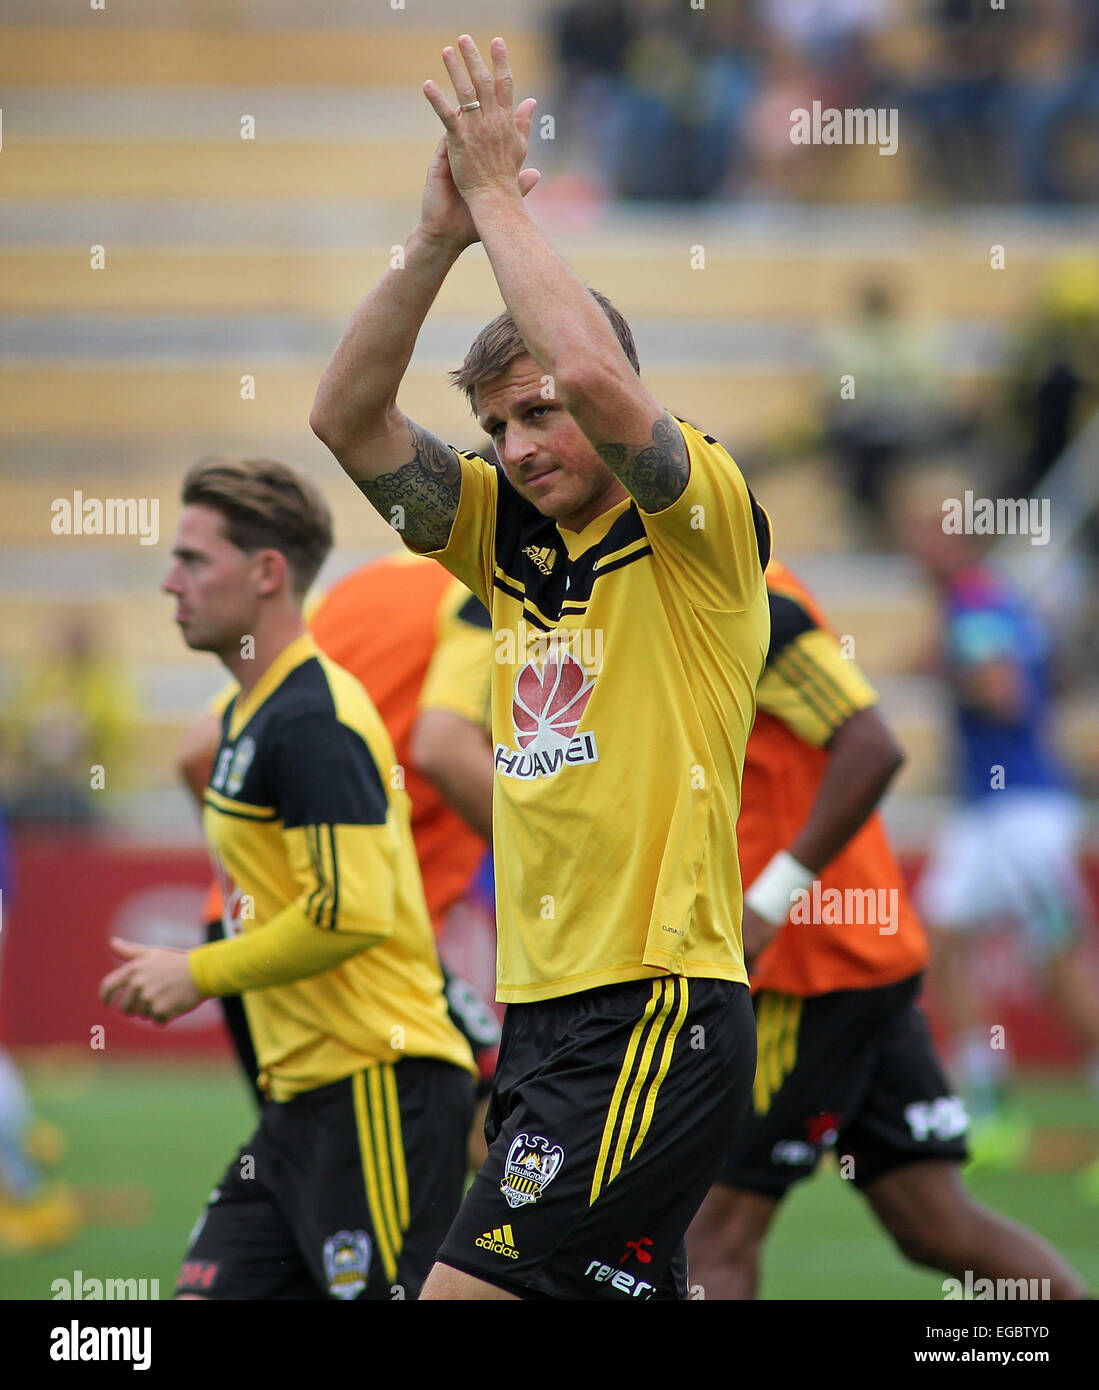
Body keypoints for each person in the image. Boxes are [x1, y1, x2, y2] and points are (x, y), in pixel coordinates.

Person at [310, 34, 771, 1301]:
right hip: (548, 1009)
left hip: (652, 1006)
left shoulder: (698, 525)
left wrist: (504, 195)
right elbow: (346, 421)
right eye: (496, 425)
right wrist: (436, 240)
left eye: (537, 415)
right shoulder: (507, 545)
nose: (516, 445)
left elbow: (591, 373)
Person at [100, 457, 476, 1300]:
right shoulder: (245, 712)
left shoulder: (313, 719)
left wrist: (195, 972)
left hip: (380, 1087)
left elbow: (352, 916)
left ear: (267, 573)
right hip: (302, 1100)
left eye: (194, 560)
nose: (170, 583)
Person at [686, 556, 1089, 1299]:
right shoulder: (662, 587)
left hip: (805, 965)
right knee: (932, 1222)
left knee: (711, 1230)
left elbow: (873, 743)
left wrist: (767, 901)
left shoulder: (739, 593)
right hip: (862, 954)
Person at [178, 551, 502, 1148]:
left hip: (250, 936)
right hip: (354, 946)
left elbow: (198, 750)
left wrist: (268, 879)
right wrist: (569, 862)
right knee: (500, 1135)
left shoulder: (348, 593)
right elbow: (443, 749)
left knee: (311, 1183)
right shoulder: (486, 589)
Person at [908, 512, 1099, 1151]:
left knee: (1059, 960)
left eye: (925, 535)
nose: (914, 548)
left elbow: (1004, 693)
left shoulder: (975, 605)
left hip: (1020, 809)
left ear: (957, 540)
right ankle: (989, 1103)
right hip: (985, 811)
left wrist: (949, 671)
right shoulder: (991, 602)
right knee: (944, 939)